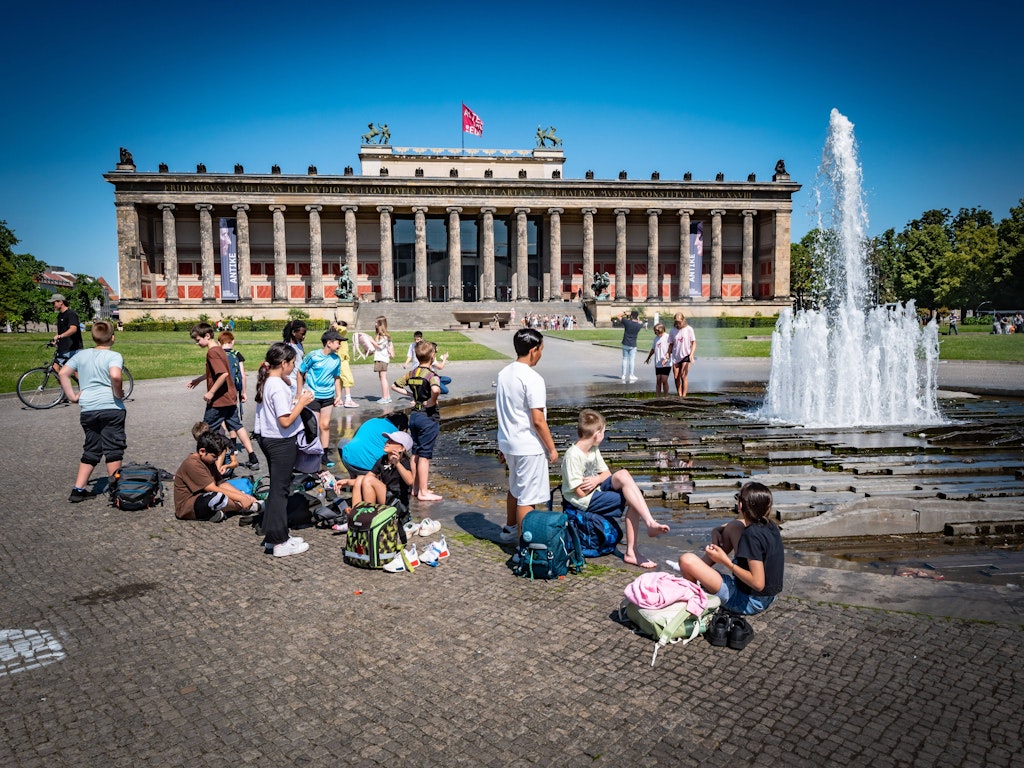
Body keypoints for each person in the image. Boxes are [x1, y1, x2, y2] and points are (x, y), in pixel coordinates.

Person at [561, 409, 670, 568]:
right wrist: (596, 483)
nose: (604, 436)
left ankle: (650, 522)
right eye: (604, 432)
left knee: (624, 475)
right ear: (597, 434)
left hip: (594, 490)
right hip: (582, 500)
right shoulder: (573, 456)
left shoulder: (592, 449)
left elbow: (606, 473)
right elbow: (580, 491)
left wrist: (596, 480)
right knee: (633, 499)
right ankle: (632, 552)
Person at [678, 481, 784, 616]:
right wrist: (717, 530)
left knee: (686, 560)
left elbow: (758, 583)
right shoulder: (769, 525)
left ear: (740, 505)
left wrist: (724, 561)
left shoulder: (751, 536)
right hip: (766, 597)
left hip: (747, 601)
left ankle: (694, 598)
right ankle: (699, 571)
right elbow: (736, 524)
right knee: (734, 526)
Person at [495, 328, 558, 542]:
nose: (541, 354)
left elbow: (503, 409)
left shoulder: (504, 373)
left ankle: (510, 530)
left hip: (509, 441)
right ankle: (525, 547)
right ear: (533, 350)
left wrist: (502, 443)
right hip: (528, 445)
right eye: (541, 349)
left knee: (515, 487)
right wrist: (551, 448)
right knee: (527, 499)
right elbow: (538, 420)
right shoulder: (533, 378)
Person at [254, 342, 315, 557]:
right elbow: (286, 420)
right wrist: (302, 401)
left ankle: (274, 536)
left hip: (267, 438)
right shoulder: (276, 386)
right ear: (283, 363)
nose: (294, 368)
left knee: (277, 488)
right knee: (280, 490)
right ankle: (280, 542)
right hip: (280, 441)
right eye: (291, 364)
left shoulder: (269, 380)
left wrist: (288, 383)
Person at [58, 320, 126, 502]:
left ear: (93, 337)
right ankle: (115, 491)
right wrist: (118, 393)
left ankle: (78, 489)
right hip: (111, 407)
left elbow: (63, 373)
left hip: (88, 408)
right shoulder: (114, 356)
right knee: (113, 448)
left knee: (92, 447)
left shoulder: (82, 355)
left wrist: (72, 396)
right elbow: (115, 375)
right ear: (112, 338)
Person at [186, 323, 260, 470]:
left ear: (207, 336)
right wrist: (199, 380)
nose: (197, 343)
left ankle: (204, 462)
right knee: (237, 426)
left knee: (204, 432)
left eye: (198, 339)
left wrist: (211, 392)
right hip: (230, 397)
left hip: (219, 401)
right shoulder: (221, 350)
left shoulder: (212, 352)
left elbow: (223, 374)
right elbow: (216, 372)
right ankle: (253, 457)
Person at [173, 424, 262, 523]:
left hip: (204, 496)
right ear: (202, 451)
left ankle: (219, 512)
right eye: (214, 456)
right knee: (218, 497)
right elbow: (212, 488)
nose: (216, 459)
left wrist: (243, 496)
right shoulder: (192, 463)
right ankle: (244, 508)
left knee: (237, 493)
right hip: (188, 506)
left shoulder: (208, 461)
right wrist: (241, 499)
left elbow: (221, 483)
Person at [391, 340, 444, 501]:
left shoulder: (412, 373)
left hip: (414, 416)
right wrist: (433, 400)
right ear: (433, 356)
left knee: (415, 452)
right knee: (425, 456)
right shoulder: (431, 375)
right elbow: (436, 389)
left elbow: (394, 385)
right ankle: (423, 491)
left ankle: (414, 487)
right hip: (428, 417)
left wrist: (409, 394)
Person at [298, 329, 344, 467]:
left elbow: (336, 377)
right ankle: (312, 454)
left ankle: (324, 455)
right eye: (338, 342)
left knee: (325, 425)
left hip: (328, 396)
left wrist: (339, 394)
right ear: (328, 343)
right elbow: (300, 372)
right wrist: (299, 393)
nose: (340, 345)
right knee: (313, 427)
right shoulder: (313, 356)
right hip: (313, 396)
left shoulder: (337, 359)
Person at [353, 430, 413, 514]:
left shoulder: (404, 462)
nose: (387, 442)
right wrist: (347, 482)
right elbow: (367, 477)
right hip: (386, 495)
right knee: (360, 478)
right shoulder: (383, 459)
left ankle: (370, 515)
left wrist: (397, 463)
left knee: (369, 480)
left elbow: (410, 481)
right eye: (388, 440)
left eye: (391, 441)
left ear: (401, 448)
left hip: (396, 500)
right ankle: (355, 515)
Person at [338, 412, 409, 478]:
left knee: (343, 442)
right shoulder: (395, 433)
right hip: (370, 469)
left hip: (348, 461)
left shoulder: (373, 420)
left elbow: (355, 438)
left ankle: (352, 477)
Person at [218, 330, 250, 463]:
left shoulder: (217, 354)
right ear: (233, 342)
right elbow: (242, 375)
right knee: (233, 417)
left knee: (222, 418)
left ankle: (228, 445)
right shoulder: (237, 354)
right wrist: (243, 392)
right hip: (234, 390)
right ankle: (234, 444)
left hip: (221, 390)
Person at [51, 293, 83, 366]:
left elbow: (73, 329)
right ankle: (63, 378)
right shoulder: (60, 315)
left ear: (61, 302)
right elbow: (60, 331)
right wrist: (55, 339)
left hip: (72, 348)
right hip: (62, 348)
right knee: (54, 367)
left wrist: (60, 336)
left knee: (74, 372)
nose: (53, 305)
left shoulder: (71, 314)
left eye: (54, 303)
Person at [670, 313, 697, 397]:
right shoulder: (672, 330)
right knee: (676, 377)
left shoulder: (689, 329)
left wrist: (691, 355)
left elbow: (694, 343)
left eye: (680, 322)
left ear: (683, 320)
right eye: (676, 322)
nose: (678, 324)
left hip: (686, 355)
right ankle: (679, 394)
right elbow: (671, 344)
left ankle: (684, 396)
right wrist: (667, 354)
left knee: (683, 376)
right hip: (676, 356)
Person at [369, 315, 395, 403]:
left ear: (381, 324)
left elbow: (379, 347)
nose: (375, 324)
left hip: (382, 358)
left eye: (377, 322)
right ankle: (387, 396)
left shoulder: (384, 336)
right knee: (382, 377)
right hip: (380, 358)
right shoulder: (379, 335)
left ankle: (385, 397)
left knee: (383, 377)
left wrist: (371, 341)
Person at [643, 322, 671, 394]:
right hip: (658, 362)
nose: (655, 332)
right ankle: (658, 397)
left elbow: (672, 347)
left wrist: (667, 358)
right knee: (658, 380)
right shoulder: (656, 339)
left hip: (666, 362)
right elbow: (653, 349)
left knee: (664, 380)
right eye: (655, 331)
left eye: (656, 330)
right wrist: (648, 357)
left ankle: (665, 396)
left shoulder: (668, 337)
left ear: (661, 329)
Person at [619, 310, 643, 383]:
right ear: (637, 316)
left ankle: (623, 375)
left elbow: (618, 316)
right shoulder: (639, 325)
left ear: (631, 316)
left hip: (625, 342)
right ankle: (631, 375)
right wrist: (637, 318)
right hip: (633, 344)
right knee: (631, 360)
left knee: (624, 359)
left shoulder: (627, 322)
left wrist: (624, 313)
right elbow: (640, 321)